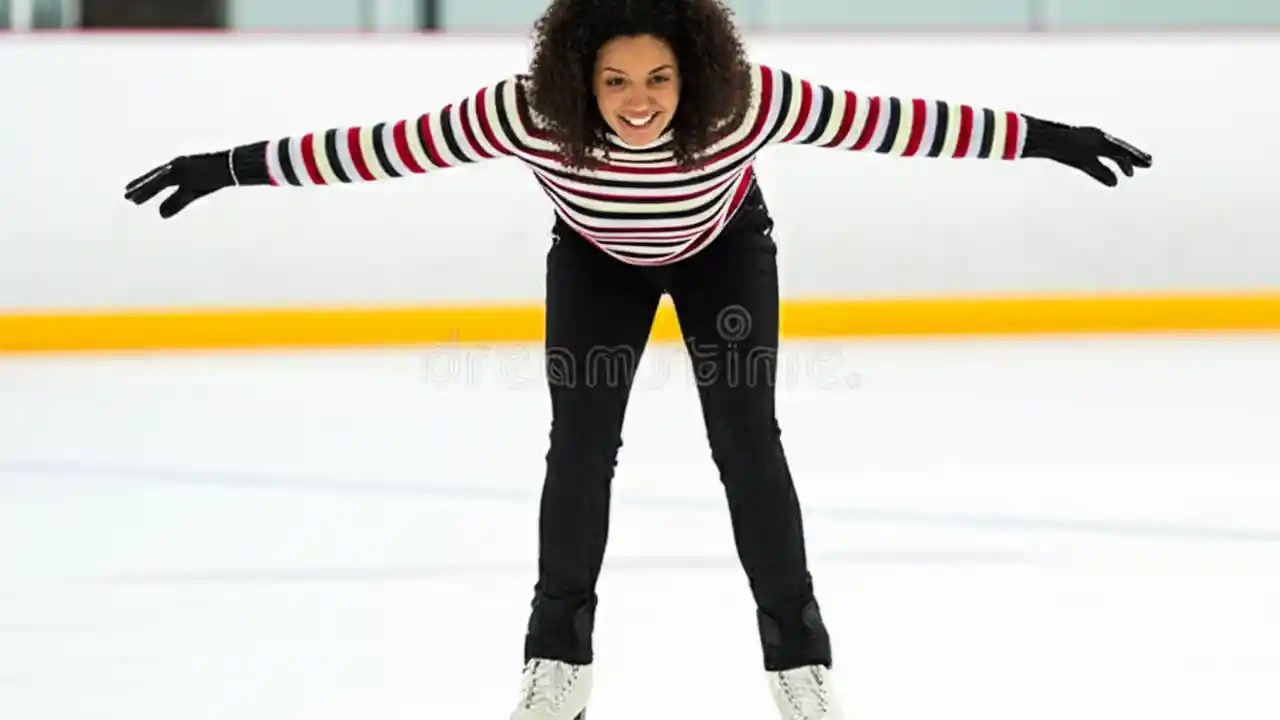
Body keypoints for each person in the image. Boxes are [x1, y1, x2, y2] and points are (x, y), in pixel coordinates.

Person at [124, 1, 1151, 718]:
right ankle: (555, 665)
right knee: (579, 449)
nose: (637, 99)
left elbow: (901, 124)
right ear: (578, 77)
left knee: (747, 444)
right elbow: (378, 147)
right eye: (614, 80)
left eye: (657, 77)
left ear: (690, 70)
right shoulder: (522, 113)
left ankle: (799, 665)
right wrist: (228, 168)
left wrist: (1048, 137)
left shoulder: (747, 101)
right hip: (595, 264)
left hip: (724, 255)